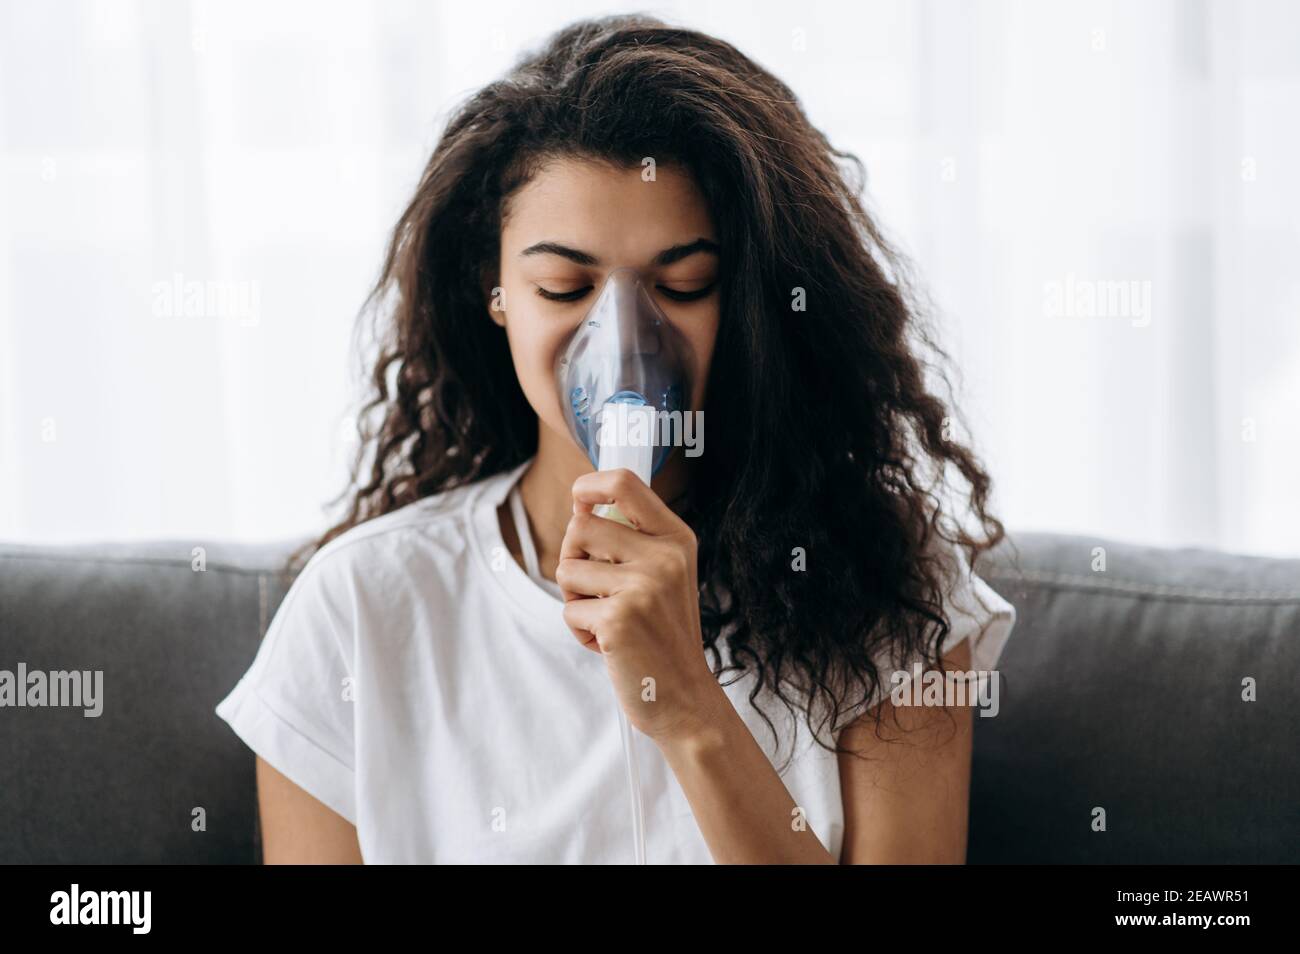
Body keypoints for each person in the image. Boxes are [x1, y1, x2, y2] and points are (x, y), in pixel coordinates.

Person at [215, 13, 1016, 864]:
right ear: (498, 296)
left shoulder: (891, 593)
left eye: (684, 283)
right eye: (564, 287)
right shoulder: (361, 611)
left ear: (748, 301)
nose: (626, 340)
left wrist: (687, 705)